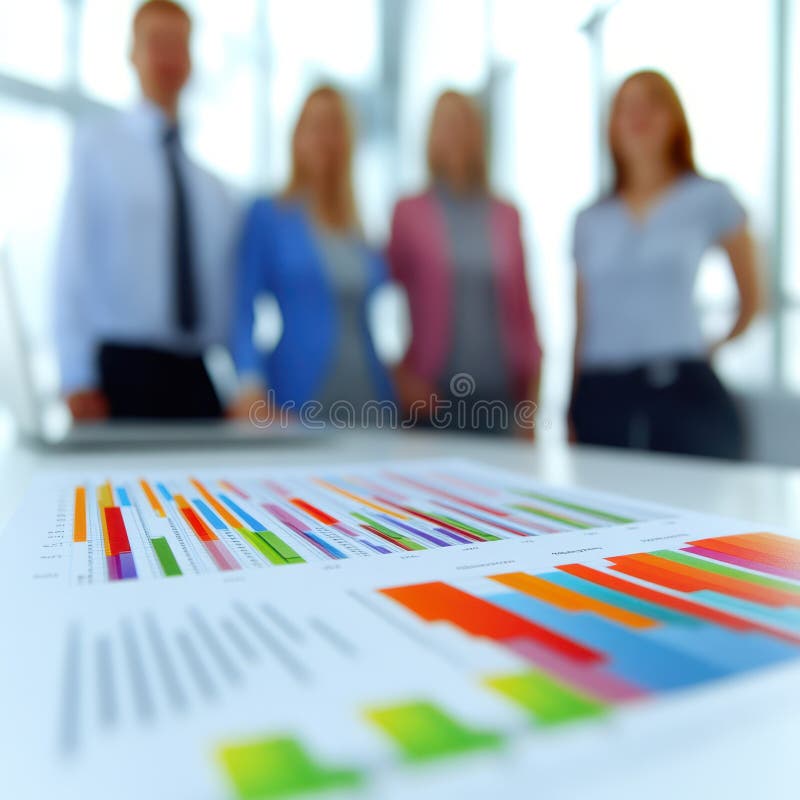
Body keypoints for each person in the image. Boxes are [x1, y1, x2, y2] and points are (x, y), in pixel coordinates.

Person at [54, 0, 239, 420]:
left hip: (196, 373)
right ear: (132, 54)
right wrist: (74, 373)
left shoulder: (211, 188)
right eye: (156, 42)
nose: (168, 57)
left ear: (191, 60)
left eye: (178, 44)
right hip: (121, 370)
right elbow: (72, 265)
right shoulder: (97, 149)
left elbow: (224, 295)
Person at [570, 70, 761, 459]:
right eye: (627, 106)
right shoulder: (590, 219)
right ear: (611, 125)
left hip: (682, 390)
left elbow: (752, 298)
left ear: (675, 117)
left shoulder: (710, 198)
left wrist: (713, 344)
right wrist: (571, 401)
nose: (639, 115)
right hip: (602, 394)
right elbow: (582, 325)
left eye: (652, 104)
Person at [229, 86, 394, 423]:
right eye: (315, 126)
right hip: (297, 392)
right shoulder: (270, 215)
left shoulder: (359, 231)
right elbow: (242, 309)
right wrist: (248, 383)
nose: (324, 139)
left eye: (334, 127)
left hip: (369, 396)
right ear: (296, 137)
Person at [387, 90, 542, 436]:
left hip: (500, 398)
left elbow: (525, 314)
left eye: (463, 123)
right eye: (445, 124)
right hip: (432, 396)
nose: (455, 133)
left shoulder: (506, 215)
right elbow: (377, 298)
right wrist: (399, 377)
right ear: (430, 136)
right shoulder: (409, 213)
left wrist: (531, 406)